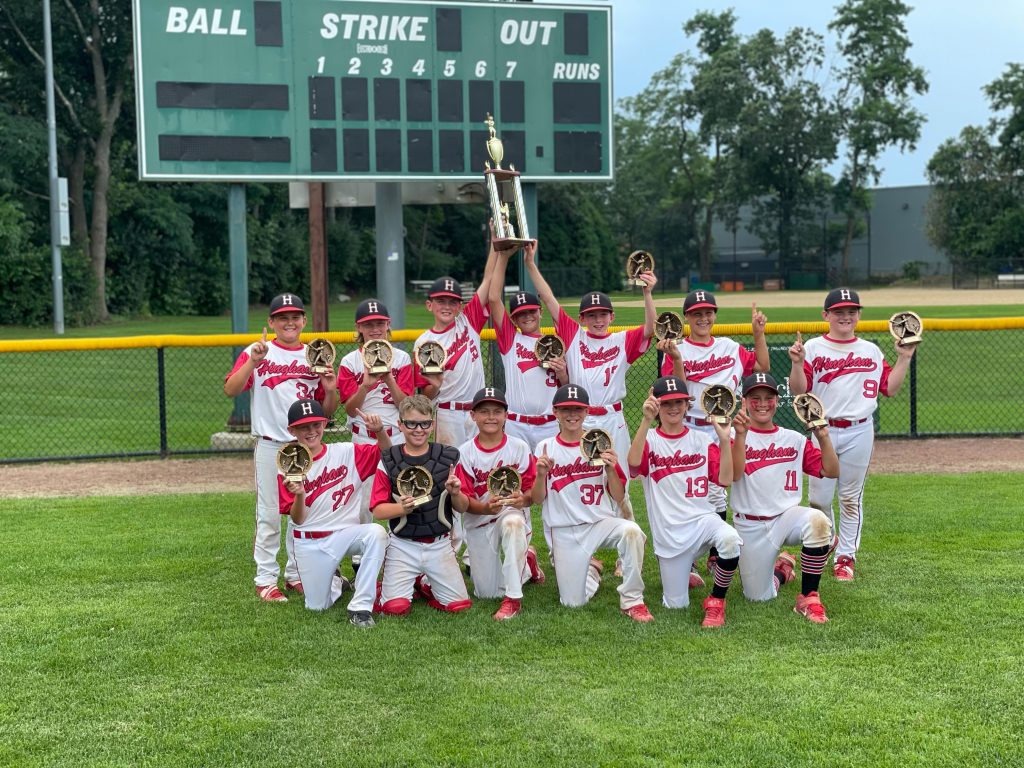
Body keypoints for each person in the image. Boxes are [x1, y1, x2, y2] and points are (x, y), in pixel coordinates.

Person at [524, 244, 658, 529]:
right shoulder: (574, 336)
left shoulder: (622, 341)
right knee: (580, 476)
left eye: (603, 314)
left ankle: (626, 533)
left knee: (619, 477)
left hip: (612, 417)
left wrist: (647, 293)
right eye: (592, 315)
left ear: (612, 317)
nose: (598, 320)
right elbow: (548, 299)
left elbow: (650, 328)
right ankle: (585, 530)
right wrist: (531, 264)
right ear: (582, 319)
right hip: (580, 418)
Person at [788, 288, 916, 581]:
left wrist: (904, 358)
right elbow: (799, 391)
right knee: (819, 499)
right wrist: (797, 363)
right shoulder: (814, 347)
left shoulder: (870, 350)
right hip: (822, 428)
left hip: (859, 429)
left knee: (849, 498)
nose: (845, 316)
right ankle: (829, 538)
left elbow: (890, 388)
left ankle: (846, 556)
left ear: (858, 315)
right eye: (839, 312)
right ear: (826, 315)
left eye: (851, 311)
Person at [223, 293, 339, 603]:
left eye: (295, 316)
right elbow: (230, 389)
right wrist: (253, 362)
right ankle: (265, 580)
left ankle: (296, 574)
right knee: (270, 515)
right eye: (282, 317)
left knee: (304, 512)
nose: (289, 322)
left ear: (304, 320)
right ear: (271, 322)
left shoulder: (315, 356)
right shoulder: (258, 351)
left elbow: (327, 413)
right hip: (270, 444)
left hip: (305, 446)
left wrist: (330, 390)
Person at [660, 290, 768, 583]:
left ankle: (715, 552)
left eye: (708, 312)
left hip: (722, 427)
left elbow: (762, 367)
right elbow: (676, 391)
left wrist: (758, 334)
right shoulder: (677, 349)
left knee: (719, 489)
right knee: (691, 492)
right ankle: (689, 554)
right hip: (690, 426)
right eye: (697, 313)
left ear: (715, 315)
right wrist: (677, 359)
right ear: (687, 318)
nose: (703, 318)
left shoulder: (729, 347)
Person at [533, 384, 655, 623]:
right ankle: (591, 571)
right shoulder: (545, 448)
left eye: (578, 409)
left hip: (600, 522)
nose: (572, 414)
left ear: (587, 411)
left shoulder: (599, 443)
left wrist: (610, 469)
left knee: (632, 531)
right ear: (555, 412)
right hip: (565, 530)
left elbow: (618, 496)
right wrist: (540, 475)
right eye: (565, 409)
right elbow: (537, 499)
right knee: (572, 603)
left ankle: (633, 600)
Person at [627, 376, 738, 627]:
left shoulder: (701, 440)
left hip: (702, 521)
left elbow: (725, 479)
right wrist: (645, 420)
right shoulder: (650, 439)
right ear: (657, 407)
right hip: (670, 533)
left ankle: (716, 601)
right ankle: (682, 569)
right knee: (676, 604)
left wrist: (724, 440)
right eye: (666, 403)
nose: (673, 408)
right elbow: (633, 463)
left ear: (688, 405)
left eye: (679, 402)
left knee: (730, 540)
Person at [730, 372, 839, 623]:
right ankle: (782, 569)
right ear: (744, 402)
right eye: (755, 398)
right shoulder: (733, 437)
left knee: (818, 522)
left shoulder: (794, 439)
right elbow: (733, 475)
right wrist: (740, 437)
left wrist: (823, 436)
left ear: (777, 401)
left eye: (768, 397)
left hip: (788, 517)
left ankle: (809, 597)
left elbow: (832, 470)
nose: (762, 403)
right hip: (751, 524)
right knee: (758, 597)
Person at [277, 399, 389, 627]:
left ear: (324, 423)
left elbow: (387, 455)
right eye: (303, 427)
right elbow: (298, 520)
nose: (311, 431)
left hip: (345, 534)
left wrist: (379, 432)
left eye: (316, 424)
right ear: (292, 430)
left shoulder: (347, 452)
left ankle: (361, 607)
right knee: (317, 607)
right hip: (311, 541)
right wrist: (300, 494)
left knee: (376, 533)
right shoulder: (288, 465)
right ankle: (336, 581)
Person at [370, 395, 473, 615]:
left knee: (458, 606)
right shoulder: (389, 459)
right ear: (400, 425)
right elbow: (378, 510)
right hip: (402, 544)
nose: (419, 429)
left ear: (432, 424)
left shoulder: (449, 457)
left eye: (425, 424)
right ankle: (400, 582)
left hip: (439, 543)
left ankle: (424, 582)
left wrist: (455, 493)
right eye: (411, 424)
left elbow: (463, 507)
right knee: (395, 608)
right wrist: (402, 508)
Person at [337, 298, 415, 568]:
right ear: (358, 328)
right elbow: (349, 409)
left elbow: (406, 405)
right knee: (362, 504)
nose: (375, 329)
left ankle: (404, 558)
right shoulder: (350, 361)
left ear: (388, 324)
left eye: (379, 324)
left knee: (404, 495)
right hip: (363, 438)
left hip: (396, 437)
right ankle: (360, 560)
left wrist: (389, 377)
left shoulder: (402, 358)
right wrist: (366, 385)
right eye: (368, 325)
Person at [455, 387, 544, 621]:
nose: (491, 417)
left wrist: (523, 499)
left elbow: (532, 492)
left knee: (514, 522)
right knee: (487, 593)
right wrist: (484, 508)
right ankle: (528, 563)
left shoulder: (519, 447)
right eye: (484, 412)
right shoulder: (465, 452)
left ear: (506, 415)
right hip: (479, 520)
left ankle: (513, 599)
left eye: (497, 411)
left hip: (510, 513)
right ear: (473, 415)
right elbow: (464, 502)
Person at [488, 240, 568, 450]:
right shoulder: (511, 339)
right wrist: (503, 257)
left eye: (531, 311)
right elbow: (494, 298)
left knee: (549, 470)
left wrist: (562, 374)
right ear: (514, 319)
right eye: (520, 314)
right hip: (517, 424)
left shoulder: (556, 343)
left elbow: (566, 386)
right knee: (518, 471)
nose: (527, 316)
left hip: (550, 424)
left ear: (540, 312)